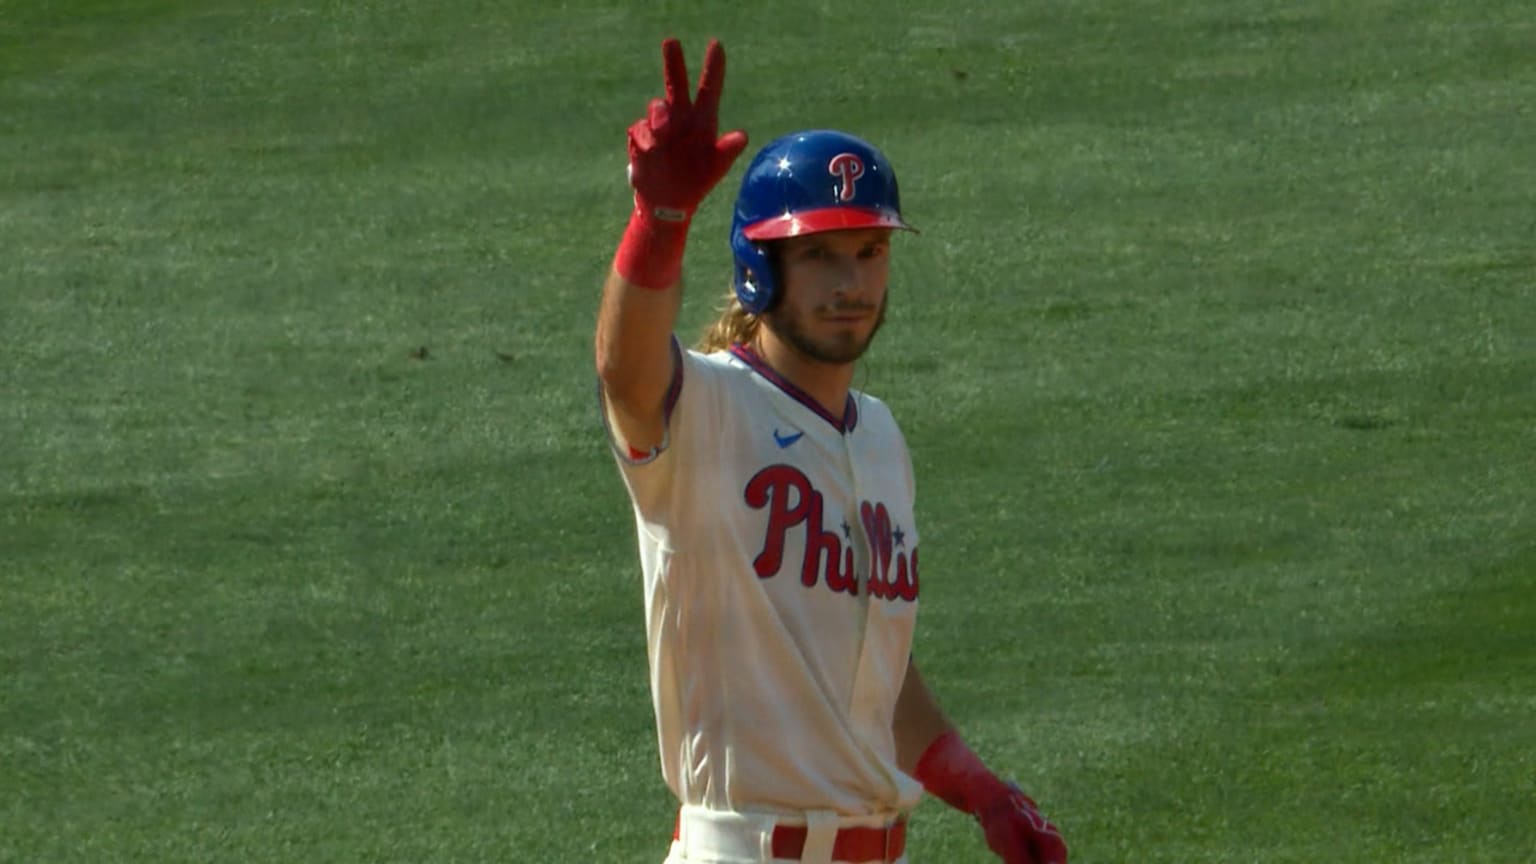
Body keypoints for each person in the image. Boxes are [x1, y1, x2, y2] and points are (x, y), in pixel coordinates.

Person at [594, 38, 1068, 864]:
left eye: (870, 251)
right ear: (758, 267)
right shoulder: (705, 410)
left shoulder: (879, 435)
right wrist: (658, 221)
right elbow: (625, 371)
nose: (850, 283)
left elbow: (869, 669)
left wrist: (977, 785)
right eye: (816, 254)